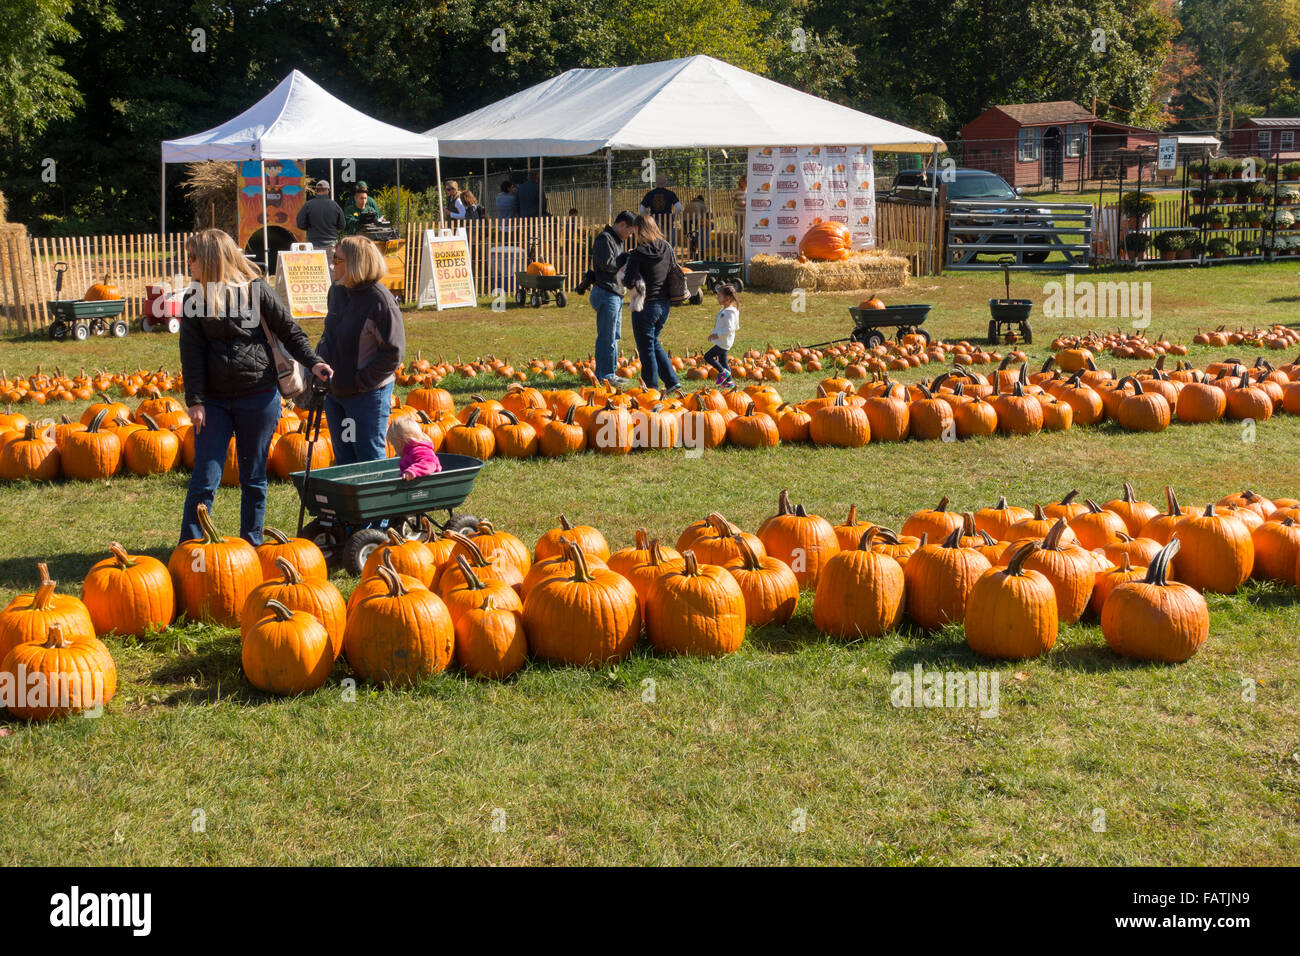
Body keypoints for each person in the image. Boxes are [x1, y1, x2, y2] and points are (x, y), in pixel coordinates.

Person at [178, 229, 332, 545]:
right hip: (214, 402)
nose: (188, 263)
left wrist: (313, 361)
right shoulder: (194, 299)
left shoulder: (256, 290)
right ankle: (190, 545)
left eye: (193, 257)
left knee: (254, 476)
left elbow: (290, 331)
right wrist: (195, 400)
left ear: (210, 260)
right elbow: (190, 353)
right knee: (205, 479)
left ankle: (251, 542)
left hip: (258, 395)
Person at [316, 236, 406, 465]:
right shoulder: (336, 292)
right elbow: (330, 333)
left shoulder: (380, 301)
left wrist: (359, 381)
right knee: (345, 460)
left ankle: (377, 502)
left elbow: (393, 353)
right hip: (335, 393)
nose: (332, 264)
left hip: (366, 396)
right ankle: (350, 502)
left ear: (355, 263)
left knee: (367, 459)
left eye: (337, 259)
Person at [623, 214, 681, 393]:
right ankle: (672, 381)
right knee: (653, 342)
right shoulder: (666, 247)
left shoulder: (638, 254)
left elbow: (628, 281)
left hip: (645, 306)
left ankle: (651, 388)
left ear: (639, 230)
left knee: (646, 348)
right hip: (664, 305)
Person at [587, 210, 637, 387]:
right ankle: (605, 375)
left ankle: (610, 374)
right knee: (607, 337)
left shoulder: (617, 241)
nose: (630, 235)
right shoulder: (605, 239)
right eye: (630, 231)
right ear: (622, 224)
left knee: (614, 336)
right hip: (606, 293)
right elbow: (607, 265)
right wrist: (625, 258)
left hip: (615, 293)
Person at [296, 179, 346, 260]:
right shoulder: (335, 205)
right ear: (328, 190)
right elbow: (342, 225)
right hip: (331, 245)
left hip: (313, 246)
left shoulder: (308, 205)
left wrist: (310, 228)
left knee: (315, 271)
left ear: (316, 190)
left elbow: (300, 224)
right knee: (331, 271)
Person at [704, 283, 740, 387]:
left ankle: (723, 372)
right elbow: (720, 324)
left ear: (727, 298)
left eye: (719, 296)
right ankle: (729, 382)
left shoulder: (730, 312)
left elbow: (730, 328)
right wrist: (713, 333)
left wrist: (717, 335)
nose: (717, 297)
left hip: (724, 341)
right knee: (723, 361)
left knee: (708, 356)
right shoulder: (725, 310)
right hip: (724, 340)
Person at [640, 172, 682, 239]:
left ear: (656, 182)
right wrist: (674, 215)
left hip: (654, 223)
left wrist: (648, 217)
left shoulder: (650, 194)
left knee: (655, 242)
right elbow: (679, 207)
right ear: (665, 182)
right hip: (668, 222)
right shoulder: (670, 194)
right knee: (668, 242)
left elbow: (642, 209)